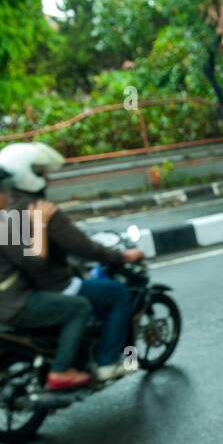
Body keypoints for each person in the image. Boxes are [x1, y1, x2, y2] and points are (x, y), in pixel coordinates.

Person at [0, 142, 145, 382]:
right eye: (40, 171)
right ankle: (106, 362)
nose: (46, 177)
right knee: (117, 294)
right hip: (46, 290)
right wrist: (120, 256)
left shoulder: (10, 214)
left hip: (26, 290)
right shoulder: (37, 211)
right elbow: (79, 248)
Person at [0, 167, 93, 390]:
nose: (8, 195)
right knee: (82, 307)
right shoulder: (5, 225)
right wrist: (41, 222)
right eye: (4, 191)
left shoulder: (8, 218)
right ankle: (62, 370)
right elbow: (35, 261)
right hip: (14, 304)